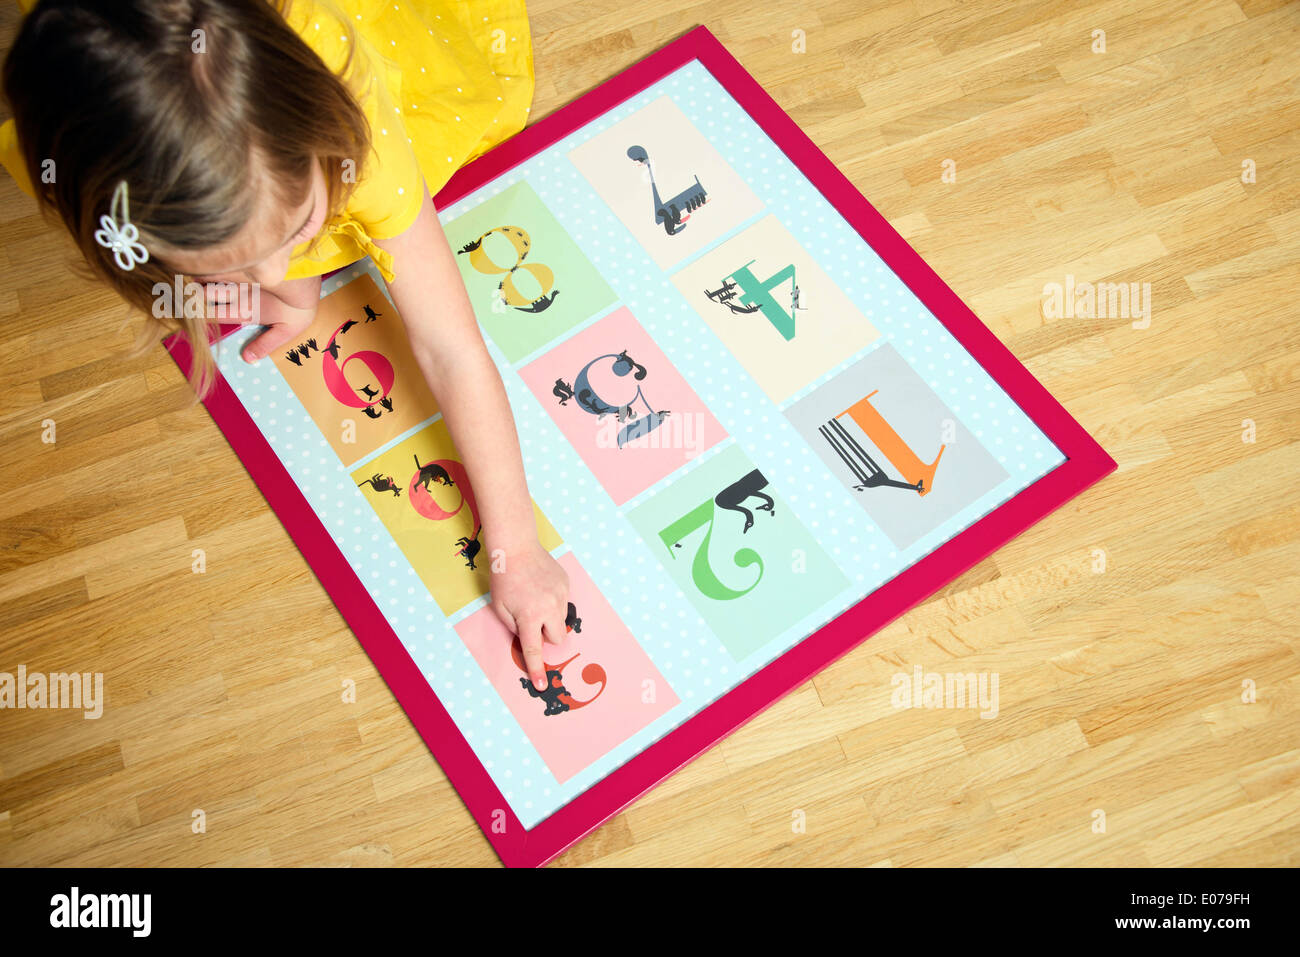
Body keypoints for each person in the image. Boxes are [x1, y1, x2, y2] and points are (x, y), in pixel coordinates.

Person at [0, 0, 569, 689]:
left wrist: (515, 546)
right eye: (227, 268)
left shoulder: (357, 122)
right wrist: (244, 282)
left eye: (297, 233)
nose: (271, 274)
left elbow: (451, 346)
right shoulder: (77, 145)